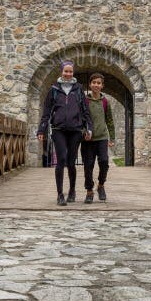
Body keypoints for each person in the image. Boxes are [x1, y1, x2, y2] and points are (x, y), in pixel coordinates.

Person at [37, 60, 92, 206]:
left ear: (73, 73)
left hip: (75, 130)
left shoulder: (79, 90)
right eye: (65, 71)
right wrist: (41, 129)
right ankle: (60, 194)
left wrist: (89, 128)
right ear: (61, 72)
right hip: (58, 129)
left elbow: (86, 111)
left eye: (70, 72)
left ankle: (72, 190)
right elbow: (46, 112)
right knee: (61, 159)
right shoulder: (53, 90)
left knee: (71, 162)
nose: (68, 74)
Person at [80, 72, 115, 203]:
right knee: (88, 166)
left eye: (98, 83)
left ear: (102, 85)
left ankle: (101, 185)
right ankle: (89, 191)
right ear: (90, 84)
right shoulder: (84, 101)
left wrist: (112, 138)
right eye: (94, 82)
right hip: (87, 139)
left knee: (104, 162)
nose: (96, 85)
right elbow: (81, 120)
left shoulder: (105, 102)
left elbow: (109, 120)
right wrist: (84, 132)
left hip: (102, 138)